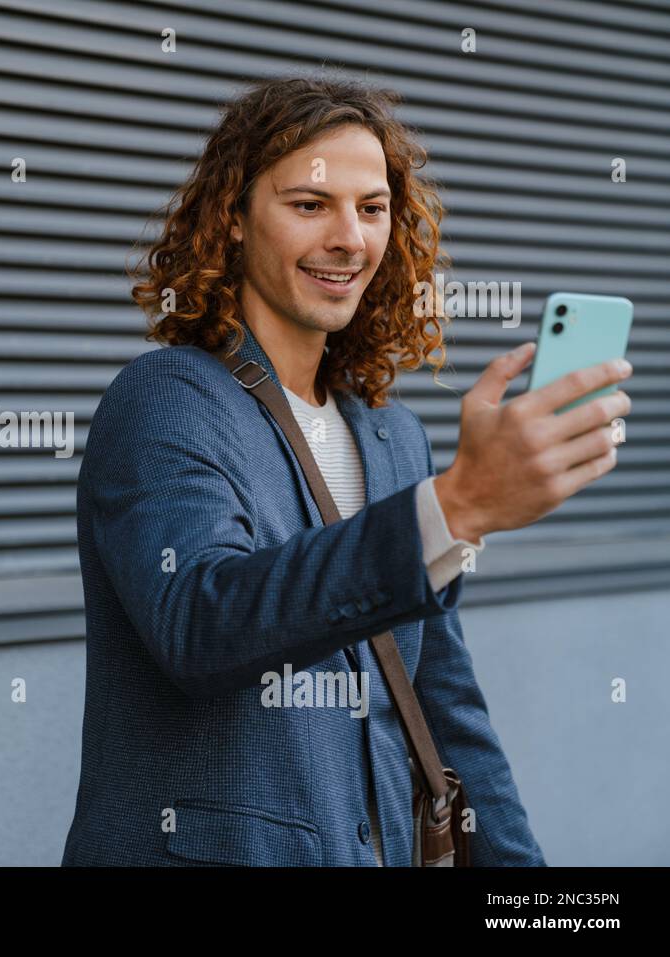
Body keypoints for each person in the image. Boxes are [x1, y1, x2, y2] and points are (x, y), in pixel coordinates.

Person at [60, 75, 631, 866]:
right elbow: (199, 621)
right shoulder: (166, 399)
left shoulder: (394, 437)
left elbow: (445, 705)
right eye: (309, 205)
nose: (349, 238)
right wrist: (455, 506)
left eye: (371, 208)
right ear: (231, 220)